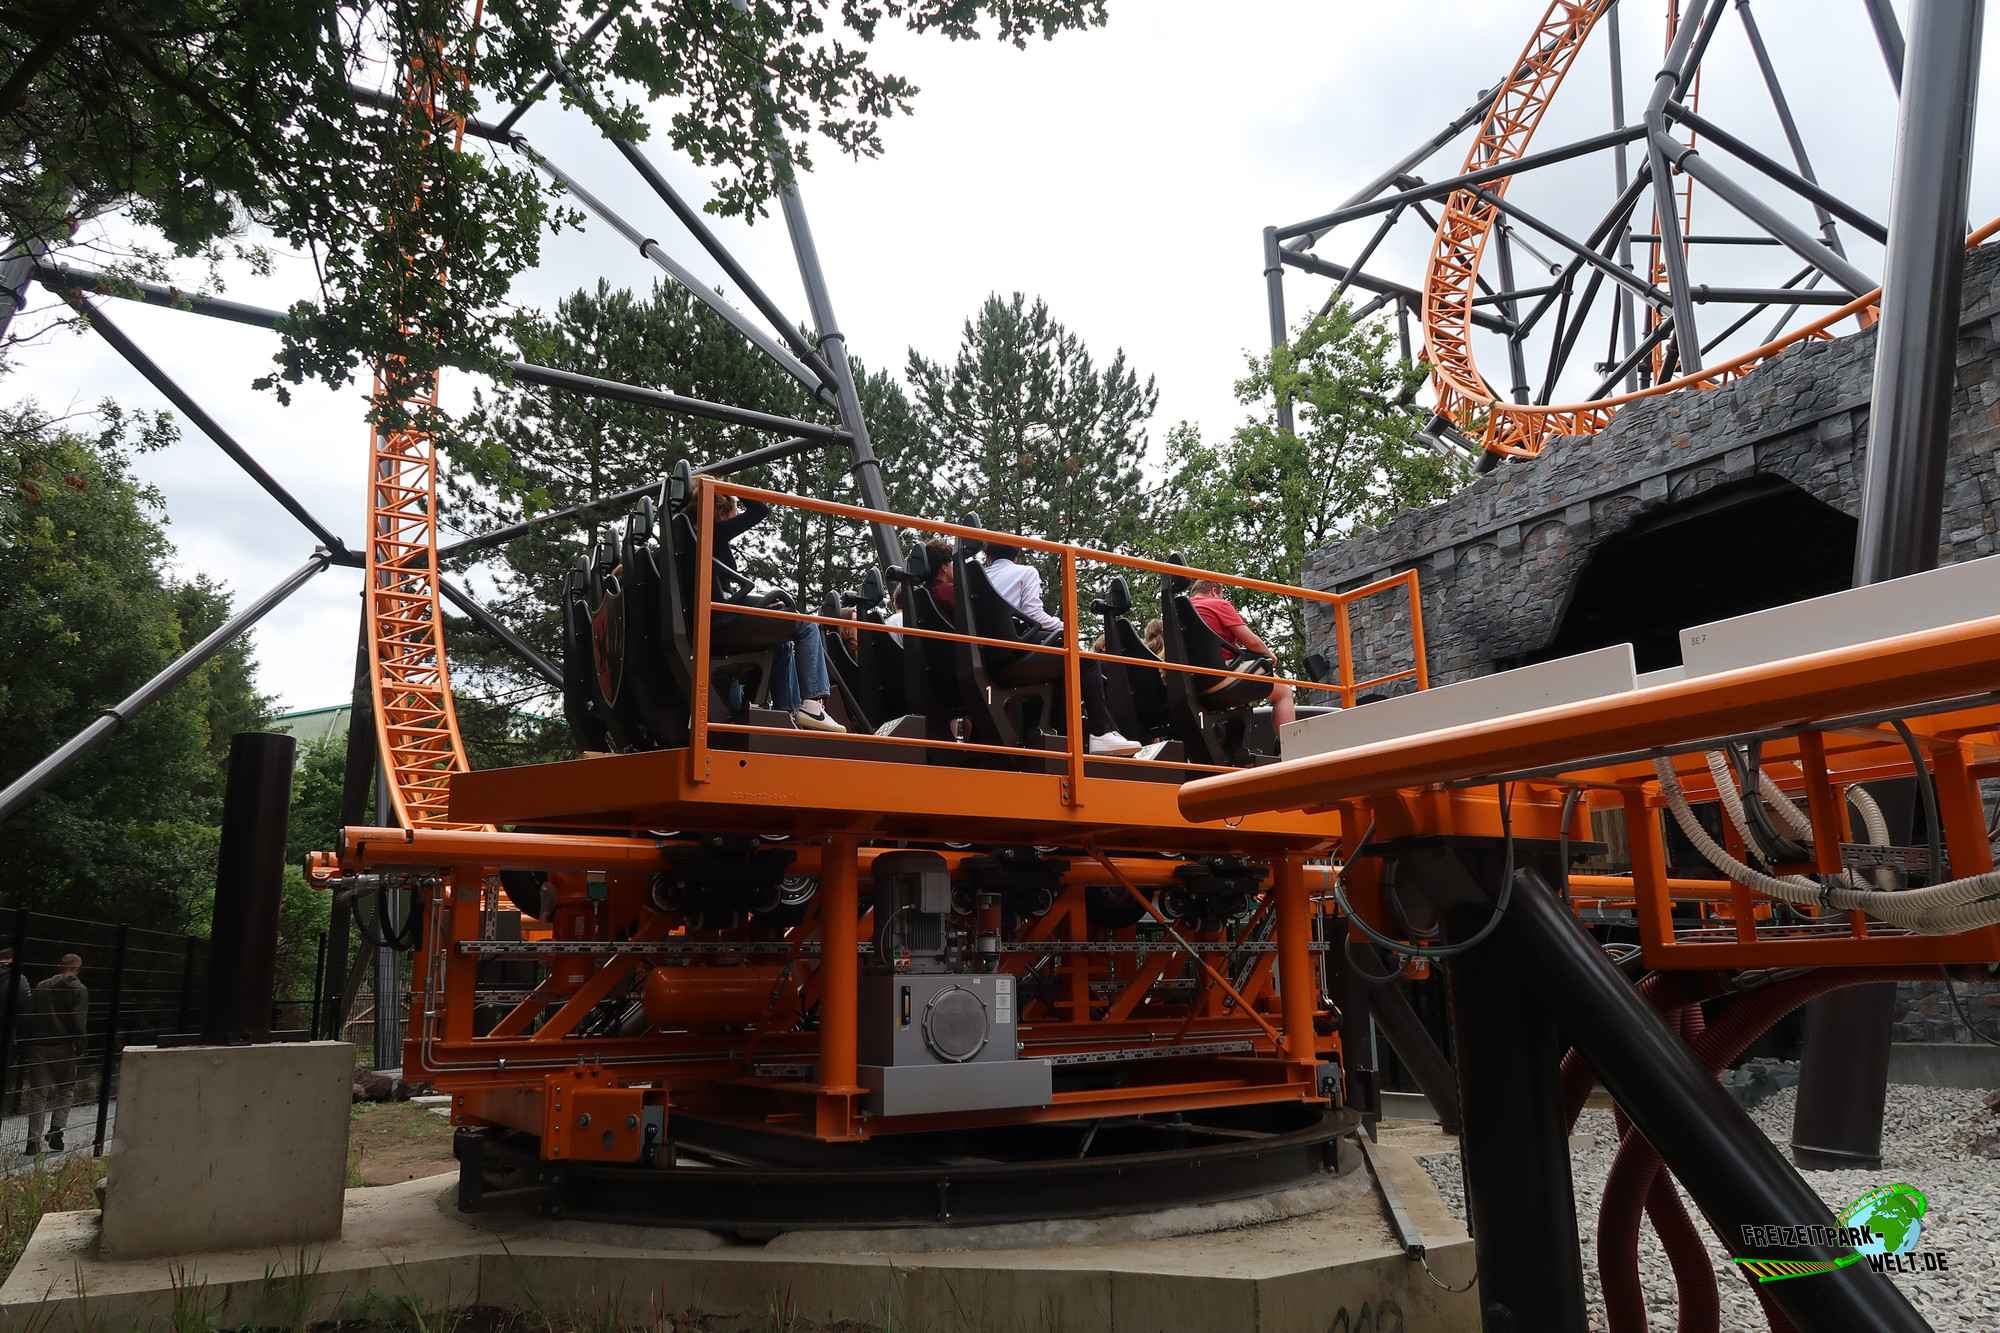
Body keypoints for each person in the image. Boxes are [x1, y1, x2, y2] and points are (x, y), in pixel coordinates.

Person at [698, 493, 846, 733]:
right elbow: (760, 511)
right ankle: (812, 704)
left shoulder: (691, 536)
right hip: (723, 622)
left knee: (781, 644)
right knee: (805, 624)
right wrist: (730, 487)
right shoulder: (714, 531)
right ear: (722, 511)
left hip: (717, 619)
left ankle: (786, 714)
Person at [981, 544, 1141, 756]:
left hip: (985, 656)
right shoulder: (1026, 572)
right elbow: (1033, 613)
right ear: (1017, 554)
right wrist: (1066, 626)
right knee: (1084, 659)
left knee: (1060, 662)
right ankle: (1100, 733)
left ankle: (1068, 733)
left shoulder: (979, 577)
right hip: (1012, 656)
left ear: (988, 555)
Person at [1186, 579, 1296, 727]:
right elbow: (1252, 642)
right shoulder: (1217, 604)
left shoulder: (1179, 613)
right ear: (1213, 591)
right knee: (1283, 692)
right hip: (1220, 676)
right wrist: (1270, 655)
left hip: (1193, 682)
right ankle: (1289, 746)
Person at [22, 953, 86, 1155]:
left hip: (39, 1045)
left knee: (38, 1093)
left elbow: (31, 1014)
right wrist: (81, 1044)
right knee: (66, 1090)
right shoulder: (79, 990)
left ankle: (33, 1141)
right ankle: (56, 1131)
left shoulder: (41, 986)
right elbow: (78, 1021)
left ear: (60, 965)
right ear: (78, 967)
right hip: (65, 1046)